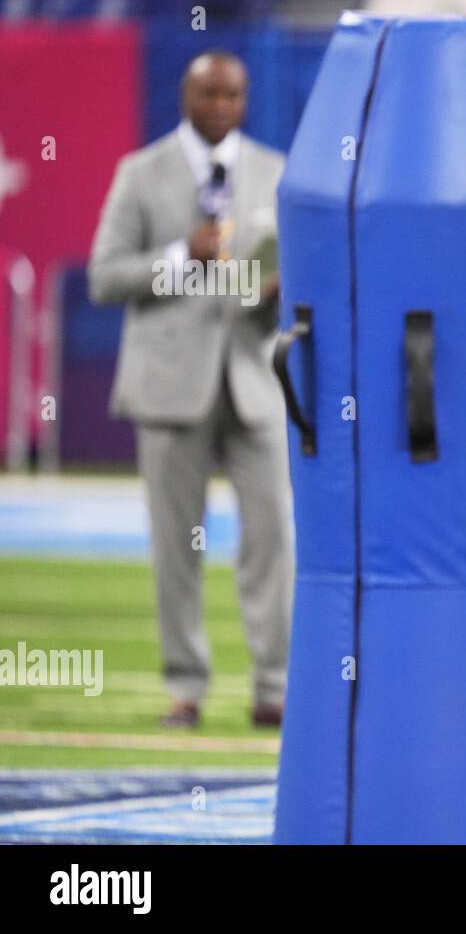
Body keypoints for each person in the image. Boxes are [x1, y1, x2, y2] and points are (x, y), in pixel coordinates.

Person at [88, 50, 292, 730]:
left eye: (231, 94)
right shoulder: (140, 174)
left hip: (254, 380)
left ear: (244, 98)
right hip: (170, 383)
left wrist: (279, 292)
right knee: (176, 544)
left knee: (273, 539)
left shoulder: (274, 172)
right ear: (185, 93)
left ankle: (274, 687)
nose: (219, 106)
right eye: (207, 93)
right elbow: (104, 277)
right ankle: (185, 688)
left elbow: (302, 276)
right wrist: (181, 255)